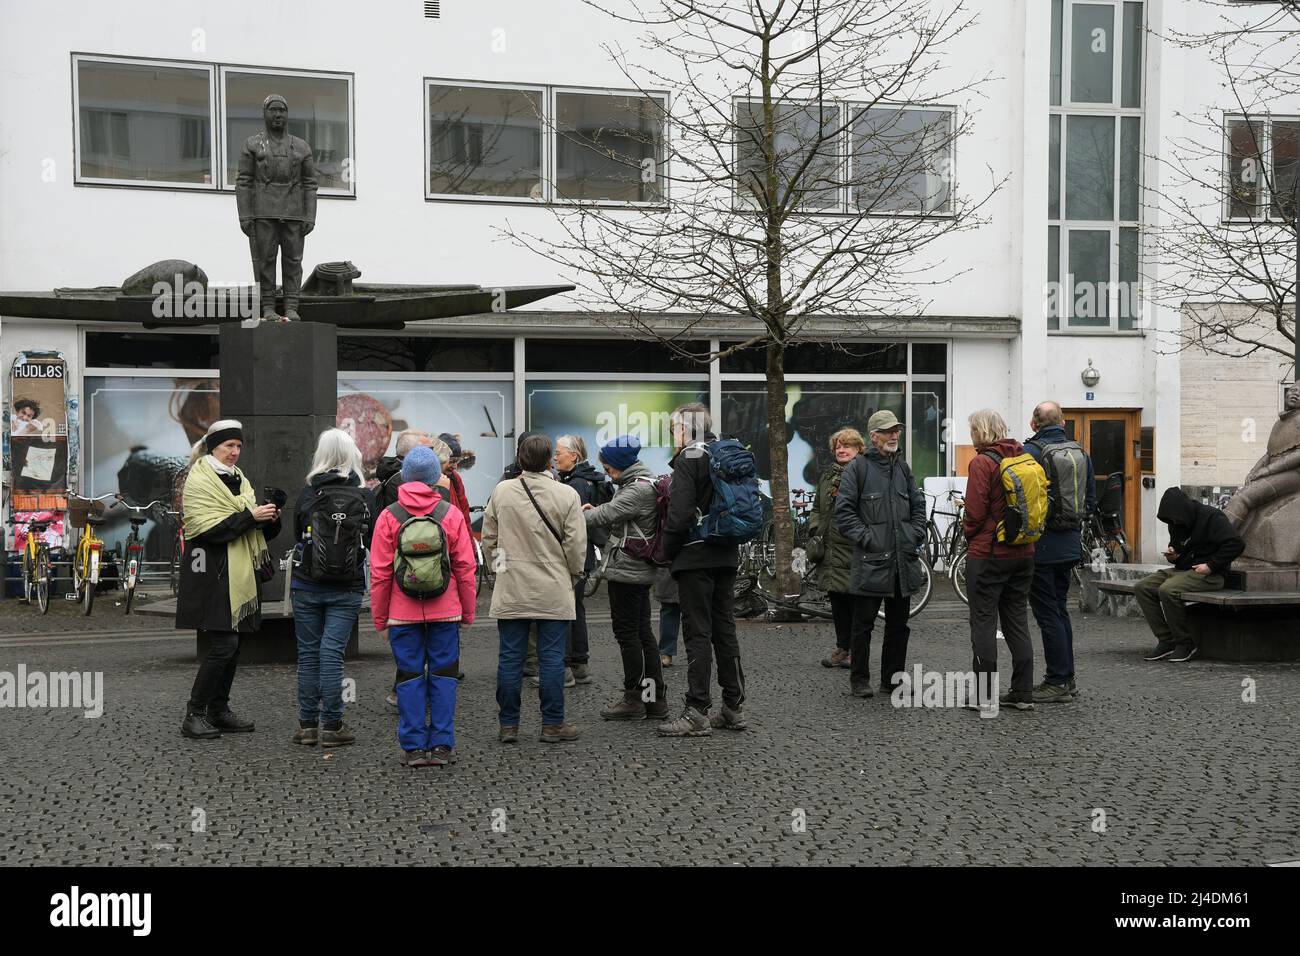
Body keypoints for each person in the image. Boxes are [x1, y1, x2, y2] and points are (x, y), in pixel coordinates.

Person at [369, 446, 477, 767]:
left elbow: (379, 574)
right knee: (444, 675)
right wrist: (468, 612)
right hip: (446, 610)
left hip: (402, 614)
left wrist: (380, 619)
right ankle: (442, 745)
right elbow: (465, 569)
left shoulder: (389, 516)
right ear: (434, 478)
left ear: (405, 478)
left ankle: (414, 748)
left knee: (409, 677)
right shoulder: (451, 514)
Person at [177, 419, 282, 740]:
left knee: (233, 646)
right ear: (213, 448)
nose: (235, 452)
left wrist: (270, 518)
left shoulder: (240, 481)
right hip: (209, 574)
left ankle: (218, 710)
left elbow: (251, 529)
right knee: (224, 644)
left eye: (238, 446)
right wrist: (250, 516)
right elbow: (206, 530)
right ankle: (194, 714)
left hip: (236, 574)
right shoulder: (199, 481)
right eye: (228, 447)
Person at [483, 433, 587, 744]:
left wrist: (500, 569)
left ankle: (509, 725)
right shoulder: (566, 495)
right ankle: (553, 724)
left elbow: (490, 539)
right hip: (552, 586)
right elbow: (575, 546)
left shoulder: (502, 491)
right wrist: (571, 576)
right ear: (547, 460)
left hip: (513, 585)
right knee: (553, 658)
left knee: (510, 657)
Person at [657, 403, 747, 737]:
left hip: (695, 557)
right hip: (726, 553)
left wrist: (667, 552)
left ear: (684, 429)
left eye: (673, 429)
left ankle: (696, 711)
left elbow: (678, 515)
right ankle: (733, 707)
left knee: (698, 633)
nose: (673, 436)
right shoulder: (723, 451)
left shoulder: (689, 458)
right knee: (725, 629)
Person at [289, 428, 375, 748]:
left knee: (309, 653)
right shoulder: (365, 496)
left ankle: (308, 726)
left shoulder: (308, 494)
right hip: (348, 585)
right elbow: (373, 539)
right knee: (332, 653)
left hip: (306, 584)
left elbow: (299, 536)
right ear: (352, 455)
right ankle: (334, 725)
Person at [834, 413, 926, 698]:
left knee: (899, 626)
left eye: (896, 430)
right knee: (862, 626)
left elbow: (918, 506)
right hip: (871, 561)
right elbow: (844, 513)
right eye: (887, 432)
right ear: (873, 436)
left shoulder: (903, 468)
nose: (894, 436)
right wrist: (868, 539)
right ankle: (859, 680)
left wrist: (914, 533)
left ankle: (893, 680)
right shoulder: (857, 469)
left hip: (902, 561)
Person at [582, 434, 670, 721]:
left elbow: (603, 517)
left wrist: (568, 512)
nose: (607, 473)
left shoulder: (636, 491)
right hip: (635, 570)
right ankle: (654, 700)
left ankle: (634, 698)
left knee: (629, 635)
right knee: (643, 635)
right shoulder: (641, 484)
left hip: (628, 572)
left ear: (619, 465)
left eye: (608, 468)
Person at [962, 409, 1037, 712]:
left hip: (989, 554)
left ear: (979, 432)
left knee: (983, 622)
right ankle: (1022, 692)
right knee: (1017, 621)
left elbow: (975, 513)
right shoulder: (1023, 456)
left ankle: (983, 697)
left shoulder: (982, 462)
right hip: (1024, 553)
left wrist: (969, 533)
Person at [1022, 401, 1095, 703]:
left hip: (1041, 547)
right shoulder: (1080, 453)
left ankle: (1056, 681)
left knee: (1047, 615)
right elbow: (1090, 500)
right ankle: (1068, 678)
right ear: (1063, 423)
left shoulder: (1032, 453)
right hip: (1069, 544)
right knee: (1061, 611)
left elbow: (1025, 502)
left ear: (1033, 424)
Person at [1137, 488, 1244, 662]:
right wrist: (1174, 555)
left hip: (1211, 574)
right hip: (1183, 570)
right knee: (1142, 587)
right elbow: (1182, 550)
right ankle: (1166, 640)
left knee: (1167, 590)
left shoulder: (1212, 517)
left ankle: (1185, 642)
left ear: (1183, 511)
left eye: (1174, 519)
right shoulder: (1175, 522)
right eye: (1169, 520)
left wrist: (1211, 566)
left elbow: (1236, 544)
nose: (1173, 523)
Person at [236, 94, 317, 321]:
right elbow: (243, 182)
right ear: (265, 114)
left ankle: (292, 306)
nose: (278, 114)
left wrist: (309, 216)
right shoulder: (252, 144)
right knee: (265, 261)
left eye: (282, 110)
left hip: (293, 212)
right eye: (273, 110)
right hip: (263, 211)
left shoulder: (301, 146)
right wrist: (245, 216)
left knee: (293, 261)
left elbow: (310, 184)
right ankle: (268, 307)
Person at [555, 433, 609, 684]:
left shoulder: (574, 484)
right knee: (577, 608)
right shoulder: (591, 479)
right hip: (585, 554)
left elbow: (569, 525)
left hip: (573, 555)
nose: (555, 457)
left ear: (573, 456)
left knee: (565, 610)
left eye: (559, 453)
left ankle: (565, 667)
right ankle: (580, 664)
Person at [813, 428, 866, 670]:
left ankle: (856, 651)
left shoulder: (864, 473)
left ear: (858, 449)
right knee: (837, 600)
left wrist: (857, 533)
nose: (842, 450)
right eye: (838, 446)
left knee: (856, 602)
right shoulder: (828, 475)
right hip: (830, 548)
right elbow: (817, 507)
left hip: (852, 547)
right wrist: (815, 528)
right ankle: (842, 647)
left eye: (847, 446)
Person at [438, 432, 474, 527]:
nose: (455, 466)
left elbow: (464, 513)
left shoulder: (455, 478)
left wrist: (469, 539)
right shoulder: (429, 481)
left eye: (457, 461)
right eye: (452, 461)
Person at [656, 564, 680, 668]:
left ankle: (699, 652)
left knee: (696, 613)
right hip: (669, 565)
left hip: (694, 562)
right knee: (669, 607)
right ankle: (666, 651)